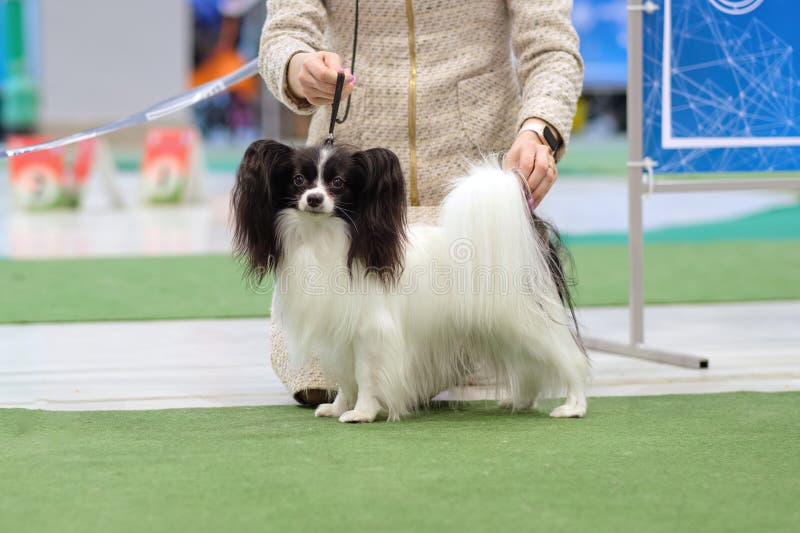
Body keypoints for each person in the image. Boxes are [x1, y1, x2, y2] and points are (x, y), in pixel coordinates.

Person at [258, 0, 584, 405]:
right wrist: (297, 65)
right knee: (319, 380)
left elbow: (552, 47)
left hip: (466, 212)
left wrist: (539, 129)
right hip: (354, 213)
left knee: (498, 341)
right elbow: (283, 31)